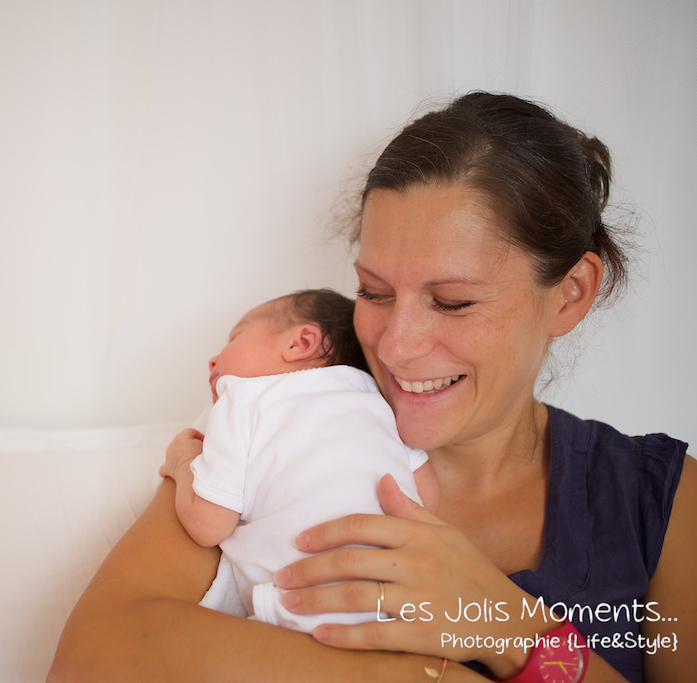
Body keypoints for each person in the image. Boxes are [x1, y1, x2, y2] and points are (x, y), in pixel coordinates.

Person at [48, 92, 696, 683]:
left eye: (452, 300)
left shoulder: (658, 500)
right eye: (375, 291)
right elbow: (92, 655)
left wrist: (509, 625)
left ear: (570, 294)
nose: (395, 343)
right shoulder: (284, 416)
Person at [160, 289, 438, 632]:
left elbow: (209, 524)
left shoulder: (243, 399)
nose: (213, 359)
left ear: (301, 342)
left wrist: (182, 461)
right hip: (401, 603)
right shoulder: (376, 401)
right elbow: (428, 496)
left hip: (301, 608)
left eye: (235, 337)